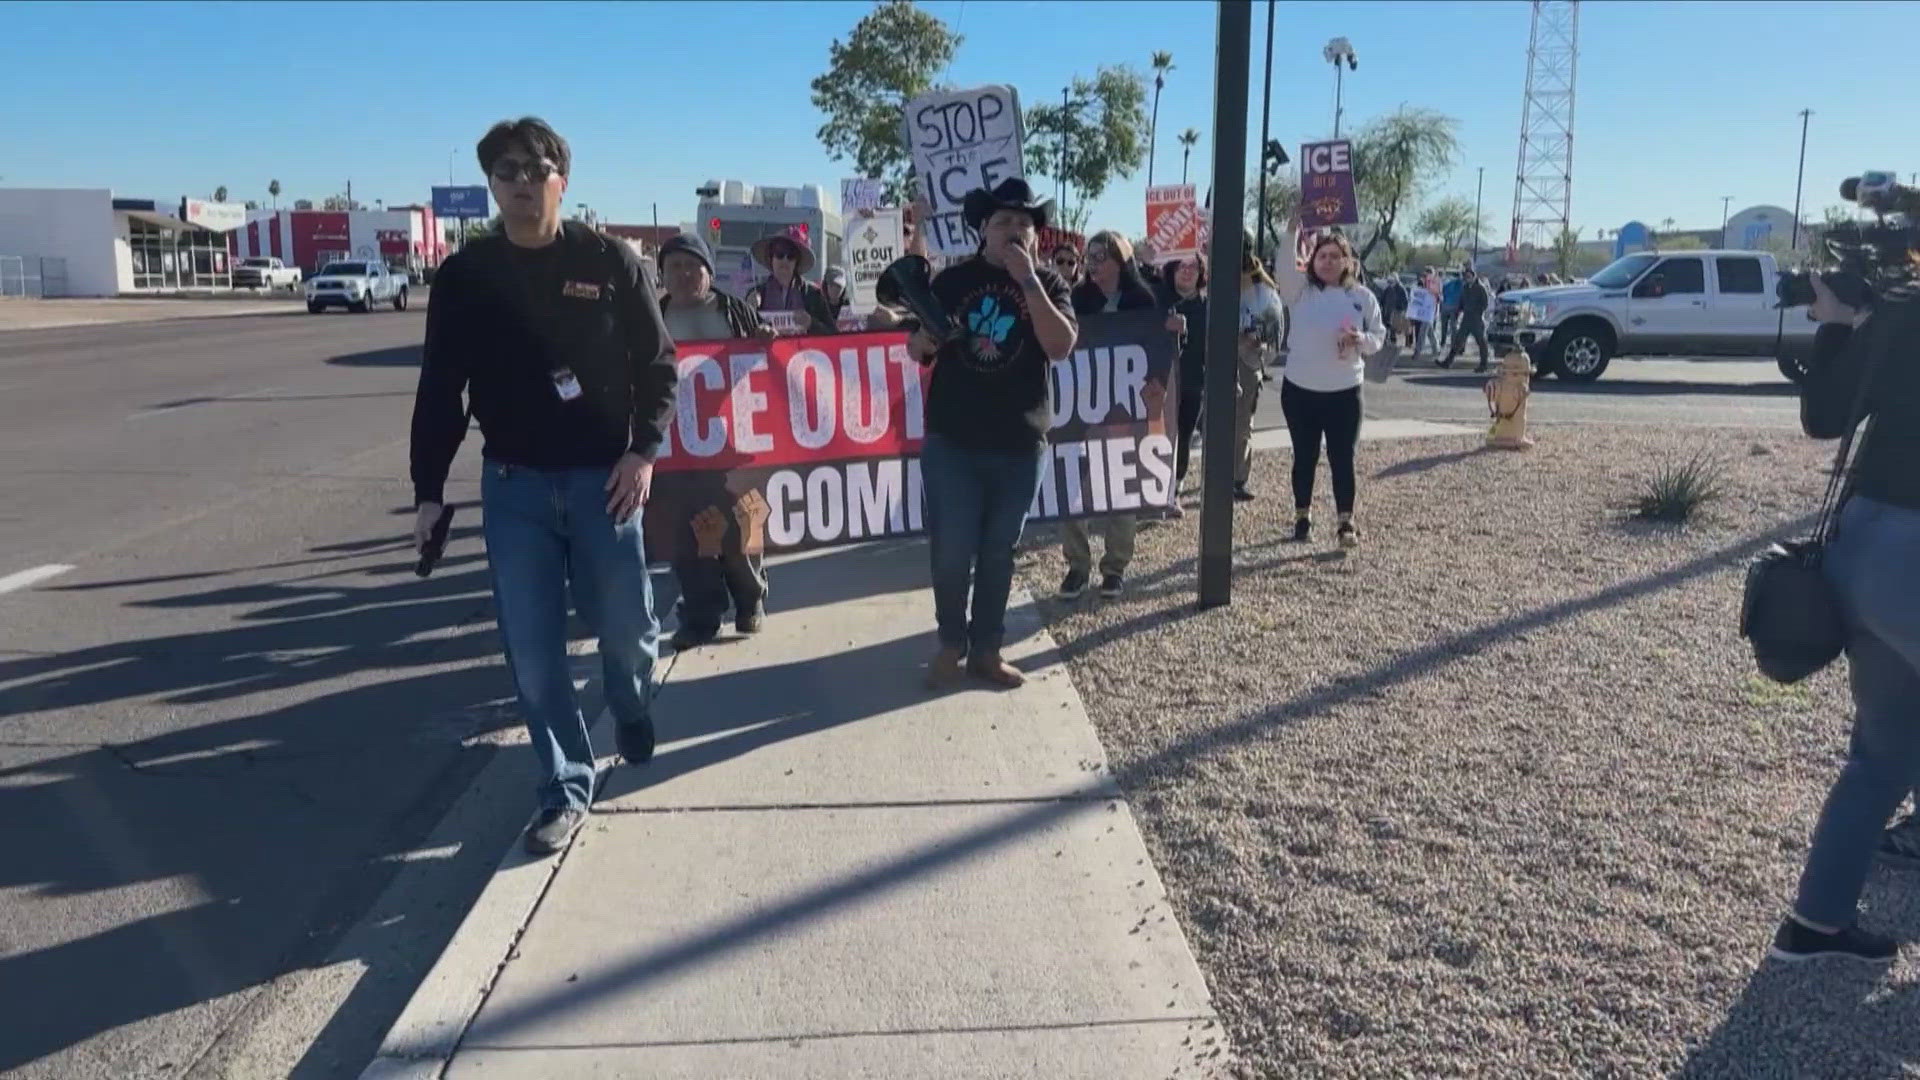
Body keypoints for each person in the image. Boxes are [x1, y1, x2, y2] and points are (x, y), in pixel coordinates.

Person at [411, 117, 677, 855]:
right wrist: (427, 490)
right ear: (492, 185)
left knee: (625, 630)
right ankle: (564, 786)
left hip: (605, 483)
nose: (521, 184)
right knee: (532, 652)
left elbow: (659, 366)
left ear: (563, 178)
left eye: (535, 169)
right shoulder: (466, 277)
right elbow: (440, 389)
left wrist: (643, 452)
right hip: (515, 488)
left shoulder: (611, 261)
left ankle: (629, 700)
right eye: (506, 172)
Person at [1770, 275, 1920, 965]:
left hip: (1863, 548)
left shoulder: (1896, 316)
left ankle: (1817, 923)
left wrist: (1835, 322)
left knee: (1881, 759)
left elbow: (1824, 415)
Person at [906, 178, 1077, 689]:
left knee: (1000, 551)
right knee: (952, 550)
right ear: (983, 229)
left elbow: (1061, 346)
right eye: (1003, 222)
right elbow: (919, 351)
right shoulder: (951, 282)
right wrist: (924, 338)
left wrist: (1030, 282)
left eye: (1024, 224)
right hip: (953, 440)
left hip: (1020, 445)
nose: (1014, 231)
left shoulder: (1051, 283)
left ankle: (986, 650)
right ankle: (951, 642)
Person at [654, 231, 777, 650]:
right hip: (677, 452)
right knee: (690, 541)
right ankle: (702, 616)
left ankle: (750, 600)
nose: (684, 275)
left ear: (708, 272)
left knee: (743, 532)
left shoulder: (735, 311)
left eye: (693, 266)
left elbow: (766, 369)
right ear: (663, 275)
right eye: (674, 267)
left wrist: (764, 343)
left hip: (736, 446)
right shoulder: (653, 314)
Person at [1054, 231, 1183, 598]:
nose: (1093, 264)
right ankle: (1076, 566)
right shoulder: (1075, 299)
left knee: (1122, 485)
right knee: (1072, 486)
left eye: (1101, 256)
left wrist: (1173, 336)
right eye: (1089, 257)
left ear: (1120, 261)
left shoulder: (1145, 299)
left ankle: (1115, 567)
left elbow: (1160, 349)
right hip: (1079, 405)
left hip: (1125, 407)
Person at [1274, 229, 1385, 546]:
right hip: (1300, 390)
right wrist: (1294, 224)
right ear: (1312, 260)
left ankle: (1345, 521)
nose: (1328, 261)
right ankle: (1301, 516)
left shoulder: (1363, 297)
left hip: (1345, 391)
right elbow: (1283, 264)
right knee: (1304, 455)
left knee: (1343, 457)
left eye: (1335, 256)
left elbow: (1378, 337)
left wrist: (1360, 340)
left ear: (1347, 261)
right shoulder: (1300, 291)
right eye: (1322, 255)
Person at [1233, 235, 1284, 501]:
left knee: (1243, 425)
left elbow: (1274, 329)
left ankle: (1239, 478)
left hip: (1247, 362)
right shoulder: (1210, 281)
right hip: (1215, 363)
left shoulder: (1264, 293)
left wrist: (1258, 337)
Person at [1165, 255, 1209, 505]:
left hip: (1193, 381)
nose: (1187, 271)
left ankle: (1176, 488)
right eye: (1181, 266)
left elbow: (1215, 347)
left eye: (1193, 266)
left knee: (1184, 434)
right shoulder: (1160, 301)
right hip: (1160, 381)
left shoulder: (1208, 306)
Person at [750, 226, 837, 335]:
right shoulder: (756, 294)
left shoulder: (813, 294)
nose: (785, 260)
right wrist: (752, 315)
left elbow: (833, 335)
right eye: (779, 254)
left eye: (791, 255)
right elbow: (739, 334)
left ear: (797, 261)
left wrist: (811, 323)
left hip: (803, 352)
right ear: (771, 258)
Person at [1441, 265, 1494, 373]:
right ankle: (1448, 362)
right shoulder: (1465, 287)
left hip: (1476, 319)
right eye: (1466, 276)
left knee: (1481, 342)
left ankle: (1483, 365)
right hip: (1466, 319)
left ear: (1474, 276)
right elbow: (1461, 301)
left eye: (1469, 275)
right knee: (1458, 341)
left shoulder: (1480, 288)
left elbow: (1485, 303)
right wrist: (1458, 310)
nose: (1467, 277)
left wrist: (1478, 312)